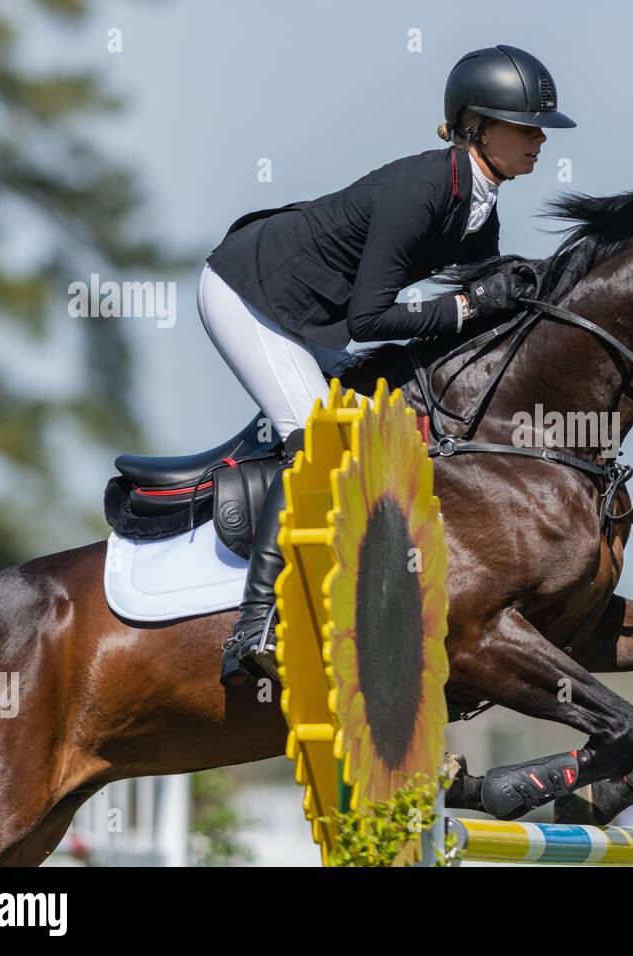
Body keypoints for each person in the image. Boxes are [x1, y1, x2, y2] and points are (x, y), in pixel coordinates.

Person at [203, 45, 575, 686]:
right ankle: (254, 625)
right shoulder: (423, 188)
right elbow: (373, 321)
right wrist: (463, 307)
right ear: (477, 127)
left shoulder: (478, 202)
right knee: (315, 438)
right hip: (254, 294)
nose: (541, 137)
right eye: (526, 125)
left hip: (313, 314)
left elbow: (477, 306)